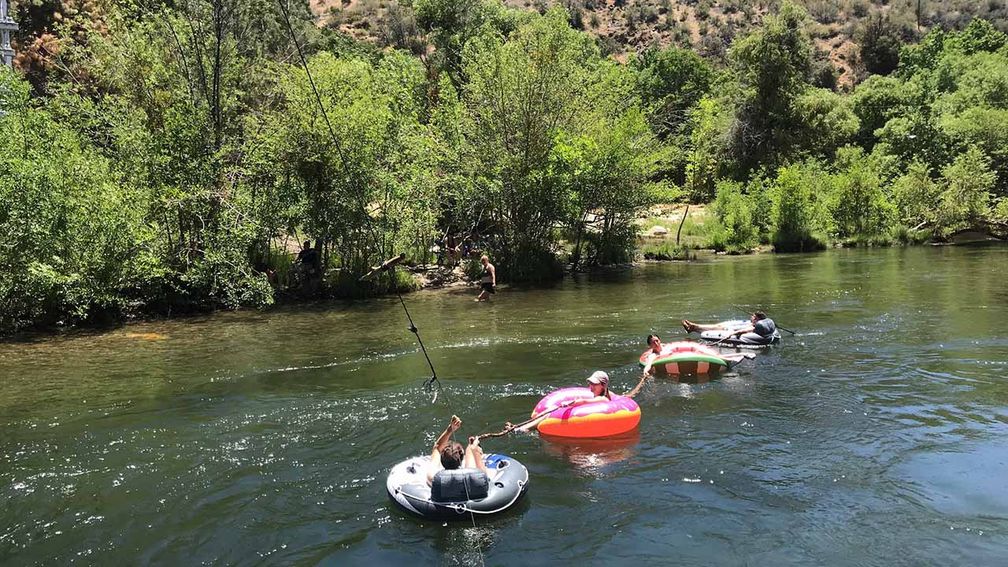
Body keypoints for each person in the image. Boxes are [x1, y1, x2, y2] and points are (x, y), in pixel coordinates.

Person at [510, 371, 622, 433]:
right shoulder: (602, 394)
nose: (590, 387)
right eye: (590, 384)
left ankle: (525, 429)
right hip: (583, 416)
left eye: (594, 384)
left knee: (552, 412)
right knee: (552, 407)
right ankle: (524, 425)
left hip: (588, 421)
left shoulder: (603, 399)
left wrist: (570, 403)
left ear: (603, 386)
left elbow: (584, 401)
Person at [426, 415, 487, 484]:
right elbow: (483, 474)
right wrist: (476, 451)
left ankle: (471, 447)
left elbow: (437, 447)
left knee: (470, 450)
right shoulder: (476, 478)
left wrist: (449, 430)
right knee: (470, 449)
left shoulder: (433, 478)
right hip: (470, 487)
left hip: (445, 492)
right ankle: (471, 447)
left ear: (441, 461)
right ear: (461, 459)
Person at [682, 311, 777, 341]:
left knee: (719, 327)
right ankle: (694, 327)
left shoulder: (756, 326)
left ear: (757, 319)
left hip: (738, 332)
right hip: (739, 328)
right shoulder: (761, 324)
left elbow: (744, 331)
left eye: (752, 316)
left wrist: (732, 333)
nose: (751, 317)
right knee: (719, 326)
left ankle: (694, 327)